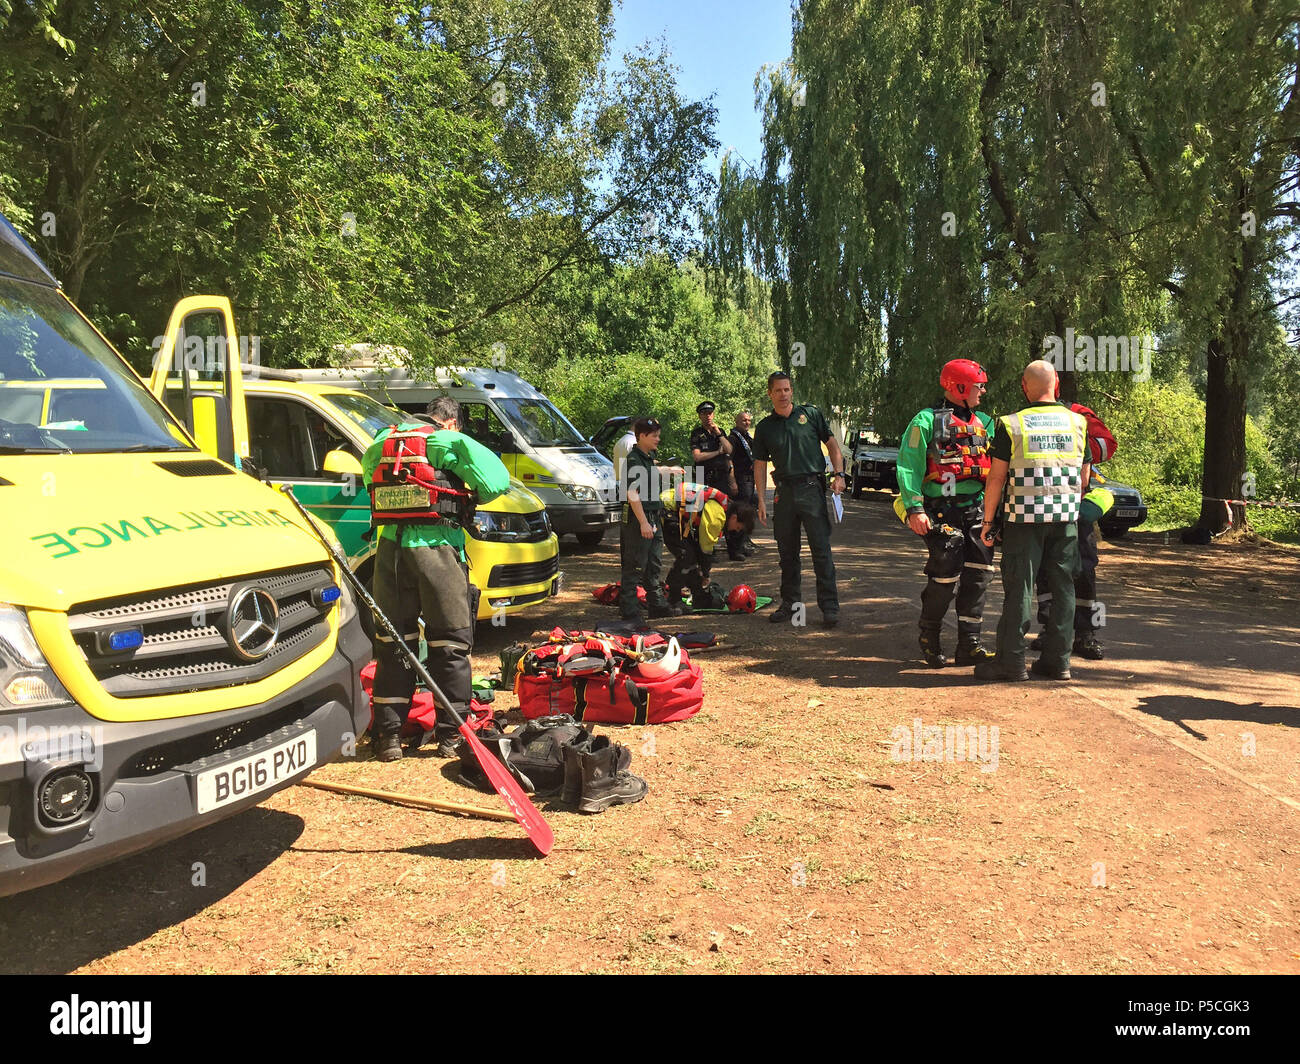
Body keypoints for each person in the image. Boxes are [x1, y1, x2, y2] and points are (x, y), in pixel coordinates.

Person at [363, 396, 511, 761]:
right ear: (451, 422)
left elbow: (370, 482)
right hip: (438, 551)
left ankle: (389, 738)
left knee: (393, 642)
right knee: (450, 643)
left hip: (389, 555)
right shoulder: (447, 441)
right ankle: (451, 736)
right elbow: (496, 483)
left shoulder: (381, 442)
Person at [975, 361, 1090, 682]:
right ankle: (1058, 661)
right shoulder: (1078, 423)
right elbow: (1083, 480)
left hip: (1022, 519)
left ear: (1025, 387)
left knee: (1020, 588)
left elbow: (996, 478)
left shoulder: (1011, 424)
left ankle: (1011, 662)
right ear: (1057, 385)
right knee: (1064, 587)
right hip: (1066, 519)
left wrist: (987, 522)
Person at [895, 359, 997, 668]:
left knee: (978, 576)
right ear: (960, 387)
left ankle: (970, 643)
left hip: (977, 510)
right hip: (941, 513)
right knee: (944, 576)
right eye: (978, 386)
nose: (982, 391)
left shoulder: (987, 423)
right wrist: (914, 508)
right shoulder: (925, 421)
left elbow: (998, 470)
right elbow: (908, 465)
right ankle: (930, 635)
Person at [752, 370, 845, 627]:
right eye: (778, 390)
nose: (783, 394)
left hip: (811, 489)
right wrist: (760, 499)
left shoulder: (810, 415)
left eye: (787, 389)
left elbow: (832, 445)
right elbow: (759, 466)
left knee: (821, 551)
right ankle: (791, 606)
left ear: (791, 391)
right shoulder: (764, 428)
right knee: (787, 554)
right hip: (784, 494)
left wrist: (839, 474)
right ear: (769, 394)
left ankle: (829, 608)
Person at [1033, 402, 1117, 660]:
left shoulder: (1077, 413)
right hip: (1042, 504)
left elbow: (1106, 445)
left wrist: (1070, 446)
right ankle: (1050, 628)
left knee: (1084, 570)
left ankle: (1085, 634)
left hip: (1076, 505)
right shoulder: (1028, 416)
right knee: (1045, 571)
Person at [620, 417, 685, 622]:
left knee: (653, 564)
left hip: (653, 517)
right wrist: (643, 523)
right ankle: (629, 610)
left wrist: (670, 470)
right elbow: (632, 494)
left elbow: (653, 470)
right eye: (654, 435)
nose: (658, 438)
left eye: (658, 434)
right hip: (640, 519)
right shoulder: (633, 460)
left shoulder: (646, 458)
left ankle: (656, 604)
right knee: (635, 565)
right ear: (642, 436)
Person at [660, 482, 757, 608]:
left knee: (691, 556)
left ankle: (698, 596)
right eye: (738, 527)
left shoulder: (722, 509)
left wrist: (703, 571)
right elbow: (706, 548)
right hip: (667, 509)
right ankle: (673, 597)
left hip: (676, 511)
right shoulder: (717, 516)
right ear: (734, 517)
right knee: (686, 556)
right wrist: (705, 573)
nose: (735, 531)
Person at [726, 410, 758, 559]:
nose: (747, 422)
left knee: (747, 514)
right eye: (744, 420)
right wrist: (732, 481)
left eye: (749, 420)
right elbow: (728, 459)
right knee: (737, 515)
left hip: (749, 480)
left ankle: (744, 542)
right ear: (736, 421)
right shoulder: (733, 438)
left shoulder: (747, 437)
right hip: (739, 480)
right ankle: (735, 549)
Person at [690, 401, 734, 496]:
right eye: (704, 414)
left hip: (721, 476)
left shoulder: (720, 431)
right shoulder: (696, 433)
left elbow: (729, 450)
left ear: (713, 415)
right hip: (702, 475)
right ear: (700, 416)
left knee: (722, 507)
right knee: (703, 507)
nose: (708, 416)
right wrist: (718, 452)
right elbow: (697, 457)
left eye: (710, 413)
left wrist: (719, 434)